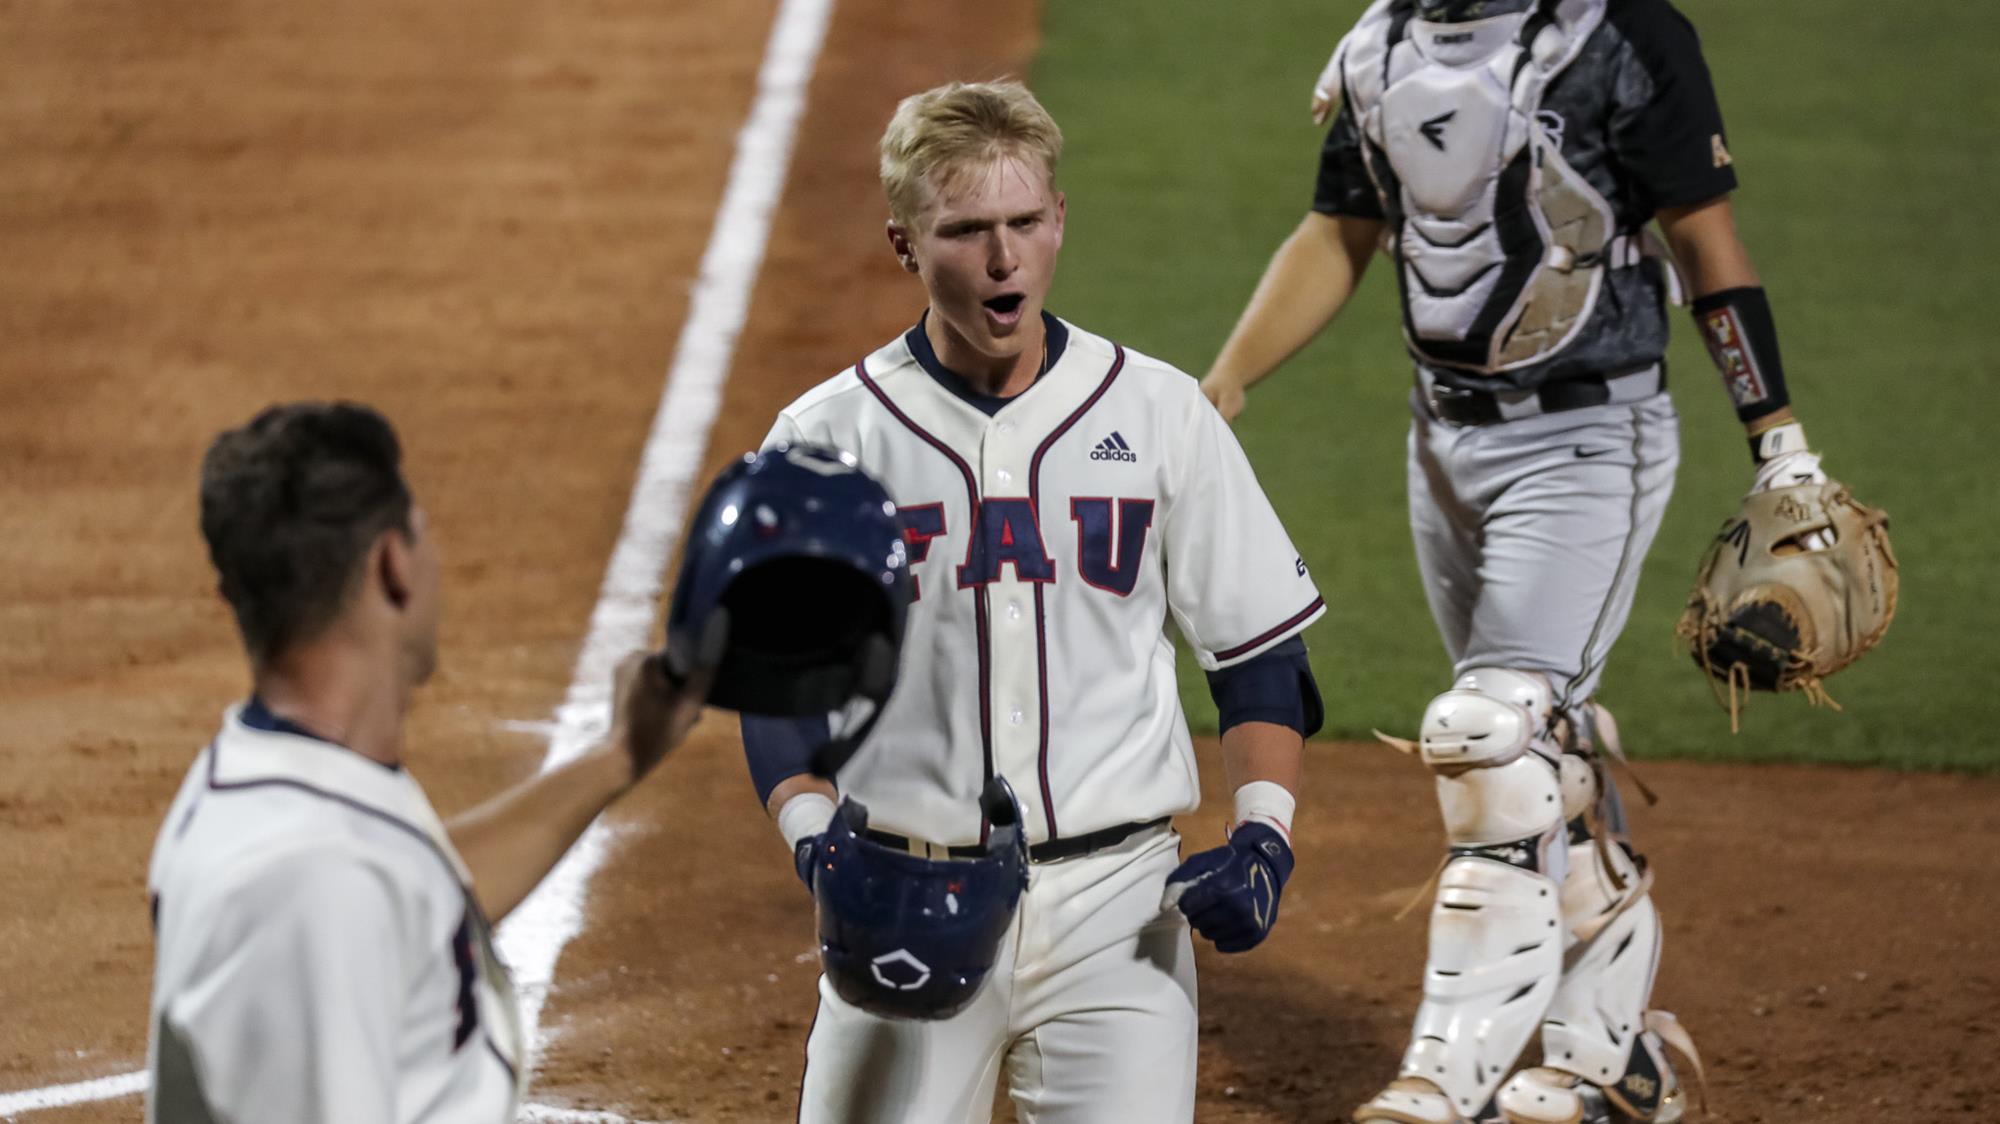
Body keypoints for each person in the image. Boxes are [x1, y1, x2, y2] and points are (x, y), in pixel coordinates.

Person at [1200, 1, 1828, 1120]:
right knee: (1534, 746)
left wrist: (1777, 442)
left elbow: (1704, 241)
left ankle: (1442, 1079)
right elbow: (1340, 230)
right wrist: (1224, 382)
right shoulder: (1383, 46)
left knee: (1484, 732)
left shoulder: (1624, 35)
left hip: (1589, 440)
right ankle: (1612, 1061)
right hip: (1440, 442)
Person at [746, 80, 1329, 1123]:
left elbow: (1258, 657)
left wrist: (1263, 834)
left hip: (1119, 913)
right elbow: (778, 682)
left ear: (1060, 217)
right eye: (966, 231)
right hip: (903, 900)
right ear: (904, 243)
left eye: (1023, 222)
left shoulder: (1160, 412)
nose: (1003, 257)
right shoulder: (827, 438)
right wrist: (813, 838)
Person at [145, 402, 715, 1123]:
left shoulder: (285, 787)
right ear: (393, 564)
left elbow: (414, 891)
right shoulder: (311, 880)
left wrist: (617, 758)